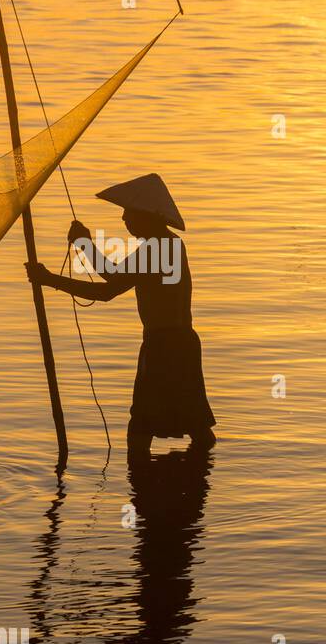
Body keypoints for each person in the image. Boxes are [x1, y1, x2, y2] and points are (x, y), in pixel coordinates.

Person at [25, 173, 216, 459]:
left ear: (147, 216)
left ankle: (144, 483)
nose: (124, 219)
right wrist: (84, 245)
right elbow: (114, 278)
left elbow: (107, 291)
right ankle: (192, 476)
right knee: (194, 423)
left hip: (165, 346)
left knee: (141, 426)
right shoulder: (168, 245)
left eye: (129, 213)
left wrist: (50, 278)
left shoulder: (158, 249)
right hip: (180, 344)